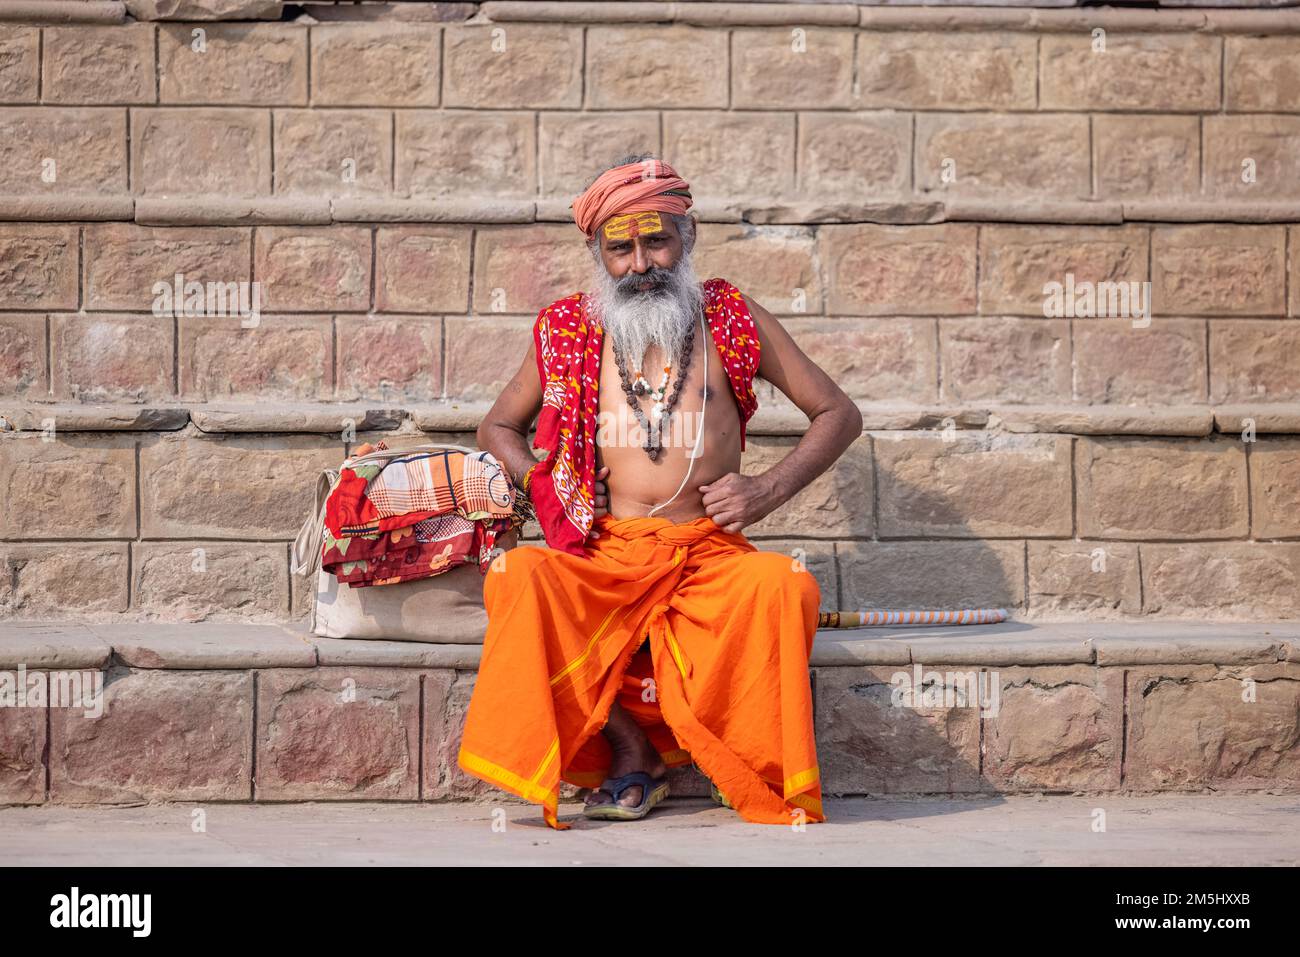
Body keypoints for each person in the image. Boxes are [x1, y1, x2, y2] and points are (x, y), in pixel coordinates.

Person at [457, 153, 863, 829]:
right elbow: (497, 424)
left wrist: (765, 489)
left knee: (784, 587)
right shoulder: (566, 328)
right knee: (516, 577)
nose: (642, 263)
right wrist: (543, 481)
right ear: (598, 252)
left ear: (689, 236)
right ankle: (628, 741)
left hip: (707, 556)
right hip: (603, 552)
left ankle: (733, 758)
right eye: (620, 248)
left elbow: (838, 413)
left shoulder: (731, 317)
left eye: (657, 240)